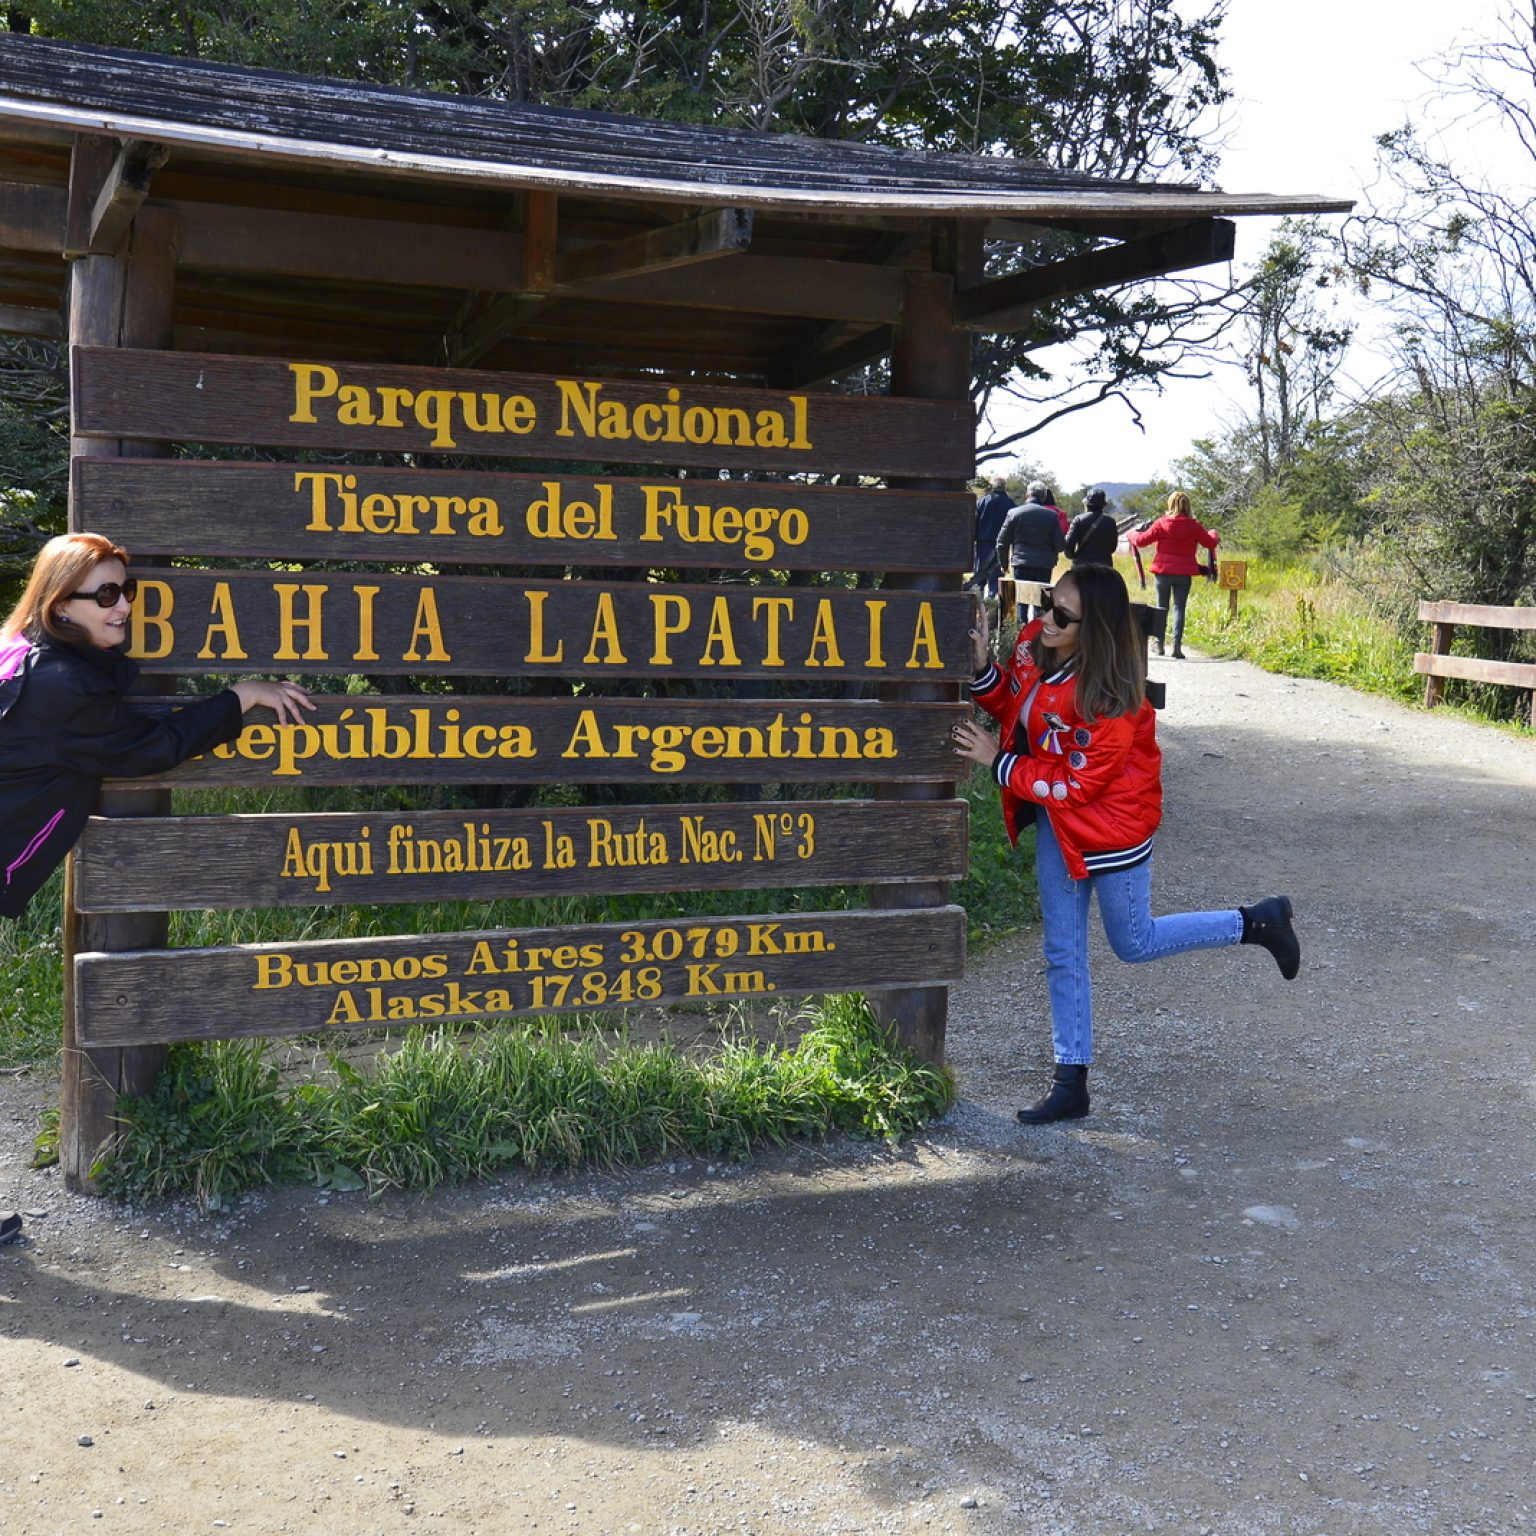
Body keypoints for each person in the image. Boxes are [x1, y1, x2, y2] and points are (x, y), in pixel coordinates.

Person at [951, 563, 1299, 1125]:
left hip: (1111, 829)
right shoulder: (1037, 648)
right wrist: (983, 670)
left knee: (1133, 943)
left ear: (1095, 630)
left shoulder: (1112, 700)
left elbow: (1075, 782)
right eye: (1047, 604)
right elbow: (1021, 708)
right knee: (1061, 951)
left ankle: (1256, 923)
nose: (1045, 620)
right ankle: (1071, 1083)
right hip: (1060, 828)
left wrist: (998, 762)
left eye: (1063, 615)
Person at [0, 532, 315, 920]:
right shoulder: (63, 685)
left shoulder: (16, 648)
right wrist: (242, 697)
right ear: (61, 604)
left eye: (126, 590)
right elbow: (149, 747)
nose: (125, 605)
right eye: (105, 595)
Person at [1128, 491, 1220, 659]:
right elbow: (1211, 542)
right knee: (1179, 608)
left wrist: (1132, 534)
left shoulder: (1162, 523)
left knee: (1161, 607)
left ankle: (1159, 644)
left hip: (1163, 572)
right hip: (1184, 574)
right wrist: (1214, 533)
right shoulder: (1194, 526)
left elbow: (1141, 541)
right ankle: (1177, 646)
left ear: (1170, 505)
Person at [994, 480, 1066, 616]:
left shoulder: (1014, 513)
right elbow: (1060, 545)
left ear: (1027, 495)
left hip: (1021, 564)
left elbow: (1001, 542)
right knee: (1041, 603)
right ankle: (1038, 634)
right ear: (1044, 496)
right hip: (1043, 566)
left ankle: (1022, 632)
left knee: (1022, 602)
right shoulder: (1051, 516)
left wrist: (1004, 564)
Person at [969, 475, 1015, 599]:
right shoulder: (1010, 504)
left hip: (982, 543)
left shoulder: (983, 501)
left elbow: (974, 522)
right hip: (1002, 545)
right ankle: (992, 609)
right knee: (996, 580)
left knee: (979, 578)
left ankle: (977, 609)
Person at [1064, 487, 1120, 568]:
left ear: (1087, 504)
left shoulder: (1078, 519)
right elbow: (1113, 547)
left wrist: (1072, 556)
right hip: (1105, 567)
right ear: (1103, 505)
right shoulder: (1111, 522)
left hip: (1082, 566)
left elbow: (1069, 544)